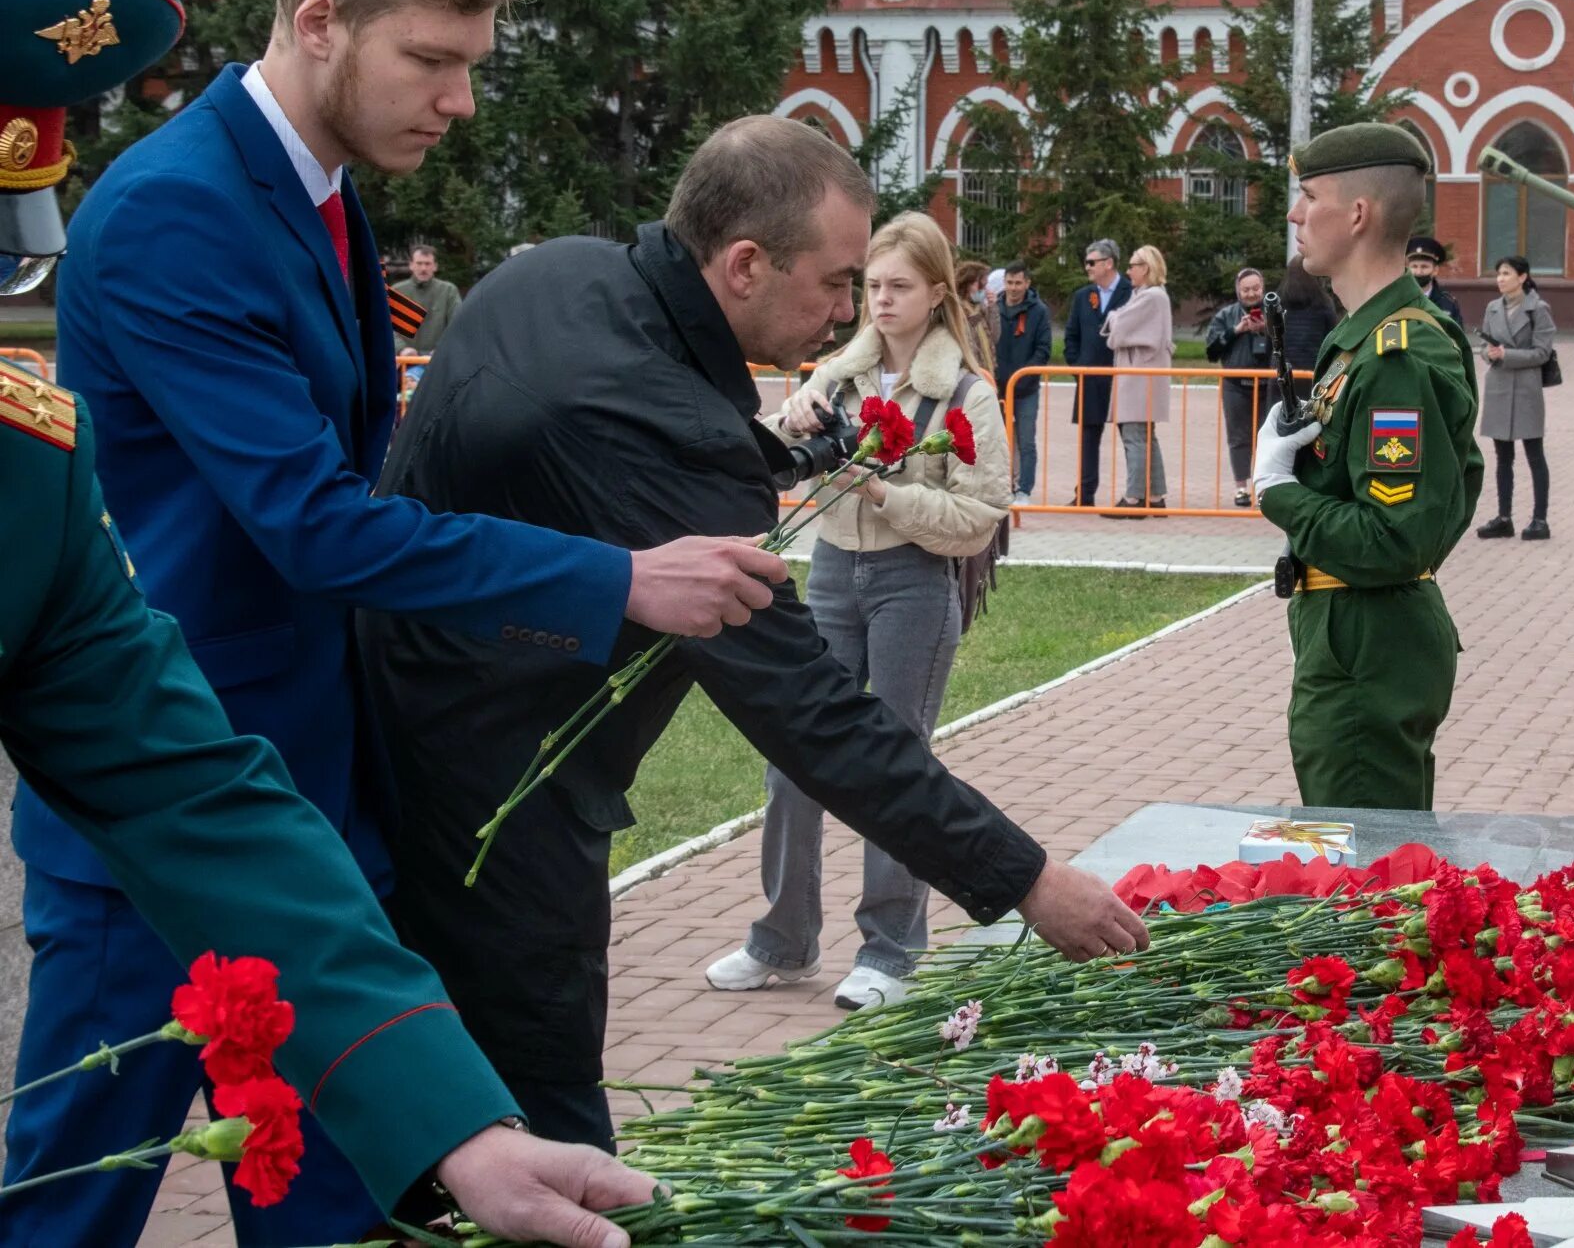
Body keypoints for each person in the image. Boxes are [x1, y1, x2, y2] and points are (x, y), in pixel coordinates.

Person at [13, 0, 789, 1240]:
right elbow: (314, 523)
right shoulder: (174, 211)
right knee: (71, 1205)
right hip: (158, 816)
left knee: (341, 1201)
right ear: (320, 24)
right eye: (433, 60)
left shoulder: (312, 194)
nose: (462, 100)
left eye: (472, 65)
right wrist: (617, 577)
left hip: (295, 798)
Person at [360, 116, 1149, 1150]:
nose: (843, 310)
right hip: (500, 807)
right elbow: (808, 712)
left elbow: (577, 459)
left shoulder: (563, 274)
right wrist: (1026, 880)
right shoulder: (660, 425)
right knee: (541, 1124)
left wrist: (768, 460)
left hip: (392, 742)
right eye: (831, 281)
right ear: (741, 263)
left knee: (431, 1111)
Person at [720, 212, 1013, 1011]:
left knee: (893, 760)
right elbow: (769, 447)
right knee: (792, 757)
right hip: (830, 576)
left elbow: (982, 515)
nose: (879, 301)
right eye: (870, 285)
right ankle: (783, 939)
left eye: (898, 287)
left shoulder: (964, 392)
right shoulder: (838, 375)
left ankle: (891, 949)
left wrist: (887, 493)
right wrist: (792, 427)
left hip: (913, 584)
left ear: (937, 294)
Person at [1253, 123, 1483, 810]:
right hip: (1354, 632)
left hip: (1366, 643)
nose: (1296, 214)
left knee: (1368, 886)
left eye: (1309, 196)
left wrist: (1277, 491)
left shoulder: (1396, 354)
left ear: (1357, 214)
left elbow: (1392, 537)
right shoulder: (1364, 338)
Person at [1471, 255, 1557, 542]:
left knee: (1534, 454)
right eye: (1498, 274)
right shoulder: (1492, 308)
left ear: (1522, 277)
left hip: (1525, 388)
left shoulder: (1538, 309)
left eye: (1506, 273)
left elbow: (1542, 352)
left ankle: (1539, 519)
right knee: (1502, 456)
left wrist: (1508, 355)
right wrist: (1489, 353)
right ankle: (1504, 517)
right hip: (1498, 386)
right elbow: (1483, 347)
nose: (1500, 279)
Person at [1101, 243, 1174, 511]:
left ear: (1146, 268)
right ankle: (1155, 495)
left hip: (1139, 377)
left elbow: (1118, 327)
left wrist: (1114, 317)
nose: (1129, 270)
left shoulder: (1151, 297)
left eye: (1133, 265)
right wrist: (1116, 318)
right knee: (1144, 436)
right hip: (1141, 375)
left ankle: (1134, 496)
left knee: (1135, 436)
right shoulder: (1148, 295)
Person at [1062, 238, 1131, 505]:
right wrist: (1078, 366)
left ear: (1108, 263)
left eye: (1091, 262)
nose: (1087, 267)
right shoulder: (1083, 296)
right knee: (1088, 438)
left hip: (1123, 377)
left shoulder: (1131, 291)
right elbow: (1071, 336)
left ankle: (1136, 493)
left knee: (1131, 437)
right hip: (1090, 378)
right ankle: (1085, 494)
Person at [1205, 266, 1270, 507]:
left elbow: (1290, 342)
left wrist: (1267, 329)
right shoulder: (1226, 316)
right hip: (1235, 386)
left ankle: (1265, 488)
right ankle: (1241, 488)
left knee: (1269, 439)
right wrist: (1236, 331)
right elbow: (1211, 351)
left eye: (1256, 288)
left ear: (1263, 288)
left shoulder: (1274, 312)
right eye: (1246, 289)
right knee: (1238, 438)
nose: (1252, 293)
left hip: (1269, 385)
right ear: (1238, 291)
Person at [994, 259, 1053, 504]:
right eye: (1010, 282)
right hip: (996, 388)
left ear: (1027, 283)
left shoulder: (1038, 311)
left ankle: (1024, 489)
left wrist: (1023, 375)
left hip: (1025, 388)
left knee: (1026, 440)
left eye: (1019, 283)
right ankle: (1000, 486)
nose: (1014, 287)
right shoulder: (994, 308)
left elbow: (1043, 349)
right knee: (998, 440)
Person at [391, 242, 463, 353]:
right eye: (419, 263)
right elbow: (387, 327)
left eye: (427, 263)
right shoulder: (397, 291)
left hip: (438, 359)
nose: (423, 268)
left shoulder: (448, 291)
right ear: (411, 265)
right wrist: (401, 348)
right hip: (405, 360)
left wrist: (442, 350)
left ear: (435, 266)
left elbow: (457, 324)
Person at [1280, 254, 1340, 373]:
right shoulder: (1324, 303)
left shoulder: (1279, 302)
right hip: (1312, 371)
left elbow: (1270, 339)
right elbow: (1333, 337)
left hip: (1281, 372)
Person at [1406, 236, 1465, 330]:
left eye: (1424, 267)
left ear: (1435, 270)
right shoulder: (1397, 300)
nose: (1418, 272)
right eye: (1414, 266)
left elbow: (1457, 338)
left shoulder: (1448, 303)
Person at [955, 258, 997, 374]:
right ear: (966, 283)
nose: (984, 289)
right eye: (980, 284)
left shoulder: (982, 308)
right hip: (967, 373)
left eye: (985, 285)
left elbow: (995, 336)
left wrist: (993, 307)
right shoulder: (955, 310)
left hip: (986, 371)